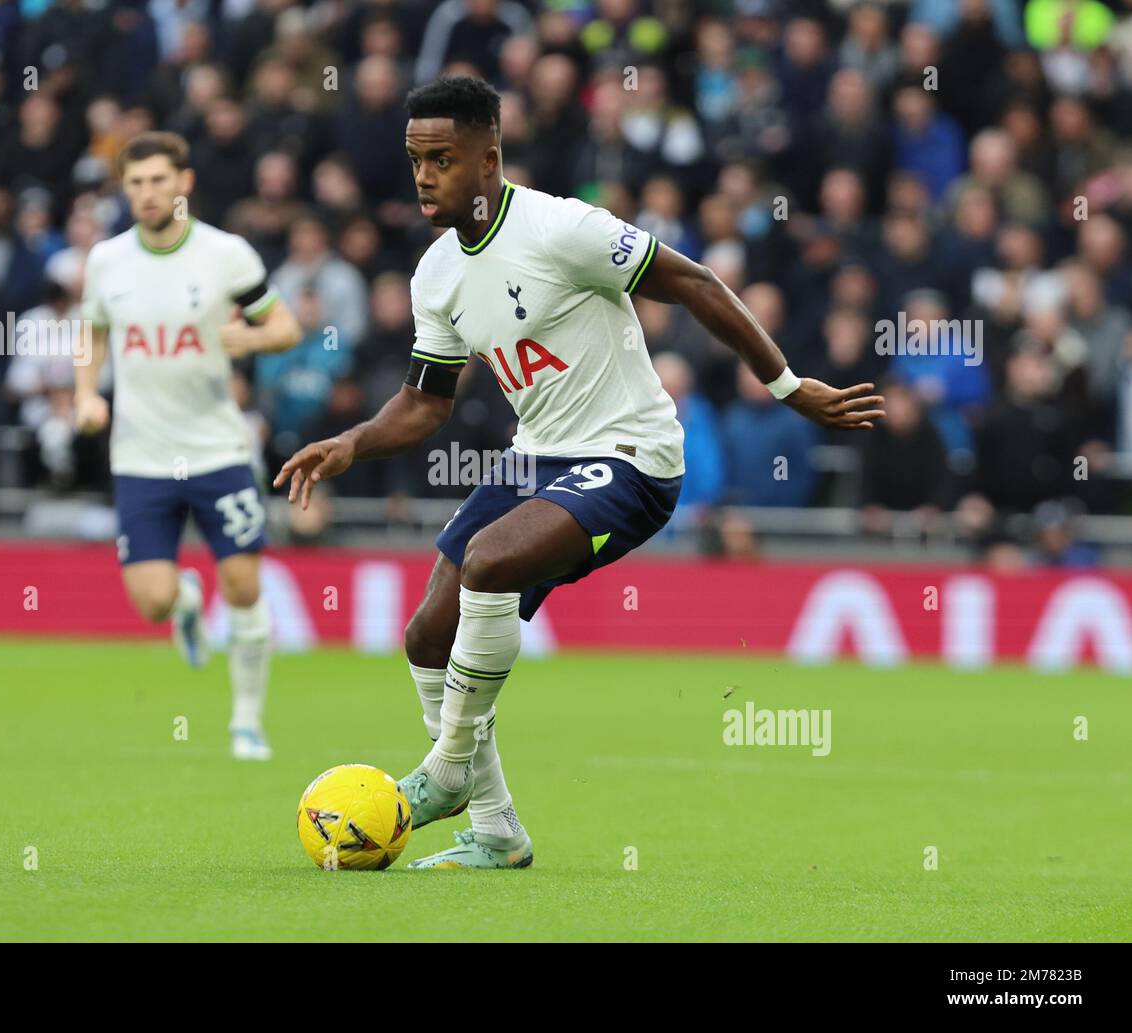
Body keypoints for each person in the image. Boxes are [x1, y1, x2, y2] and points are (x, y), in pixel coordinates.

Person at [275, 77, 883, 868]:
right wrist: (353, 441)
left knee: (490, 564)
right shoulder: (435, 276)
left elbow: (694, 283)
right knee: (428, 633)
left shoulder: (562, 228)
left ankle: (447, 770)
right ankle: (496, 830)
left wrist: (790, 386)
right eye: (416, 159)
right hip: (539, 456)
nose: (424, 175)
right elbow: (426, 406)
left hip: (631, 457)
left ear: (488, 159)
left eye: (443, 159)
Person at [75, 131, 302, 761]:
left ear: (184, 183)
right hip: (140, 456)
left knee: (244, 587)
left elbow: (286, 326)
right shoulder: (107, 262)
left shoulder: (225, 255)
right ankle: (185, 603)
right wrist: (86, 395)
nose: (147, 193)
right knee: (151, 600)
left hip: (217, 451)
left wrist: (249, 342)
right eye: (135, 182)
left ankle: (247, 723)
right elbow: (89, 333)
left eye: (157, 180)